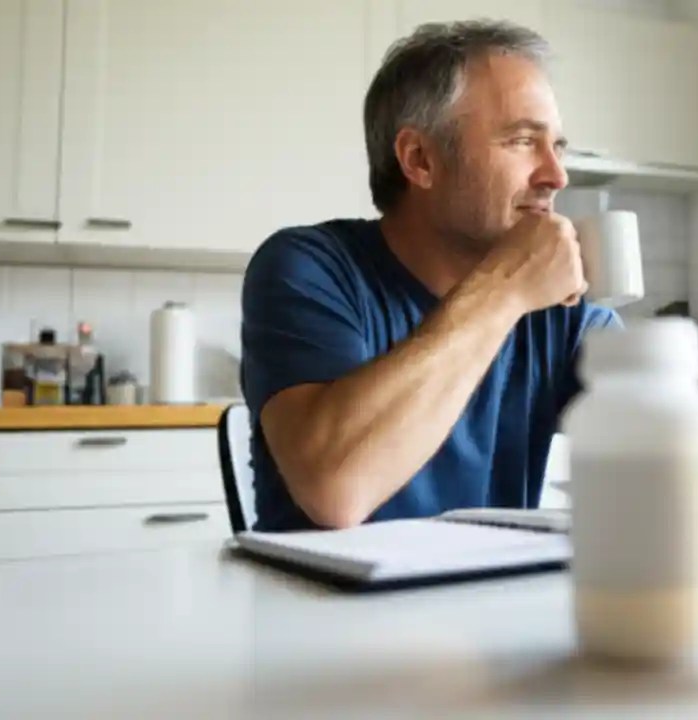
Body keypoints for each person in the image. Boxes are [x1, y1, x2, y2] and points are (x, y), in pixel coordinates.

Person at [240, 20, 621, 531]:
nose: (557, 175)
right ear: (420, 160)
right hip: (324, 608)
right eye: (522, 141)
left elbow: (674, 465)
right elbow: (335, 489)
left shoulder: (567, 319)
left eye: (558, 146)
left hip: (489, 605)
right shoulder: (308, 267)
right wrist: (505, 290)